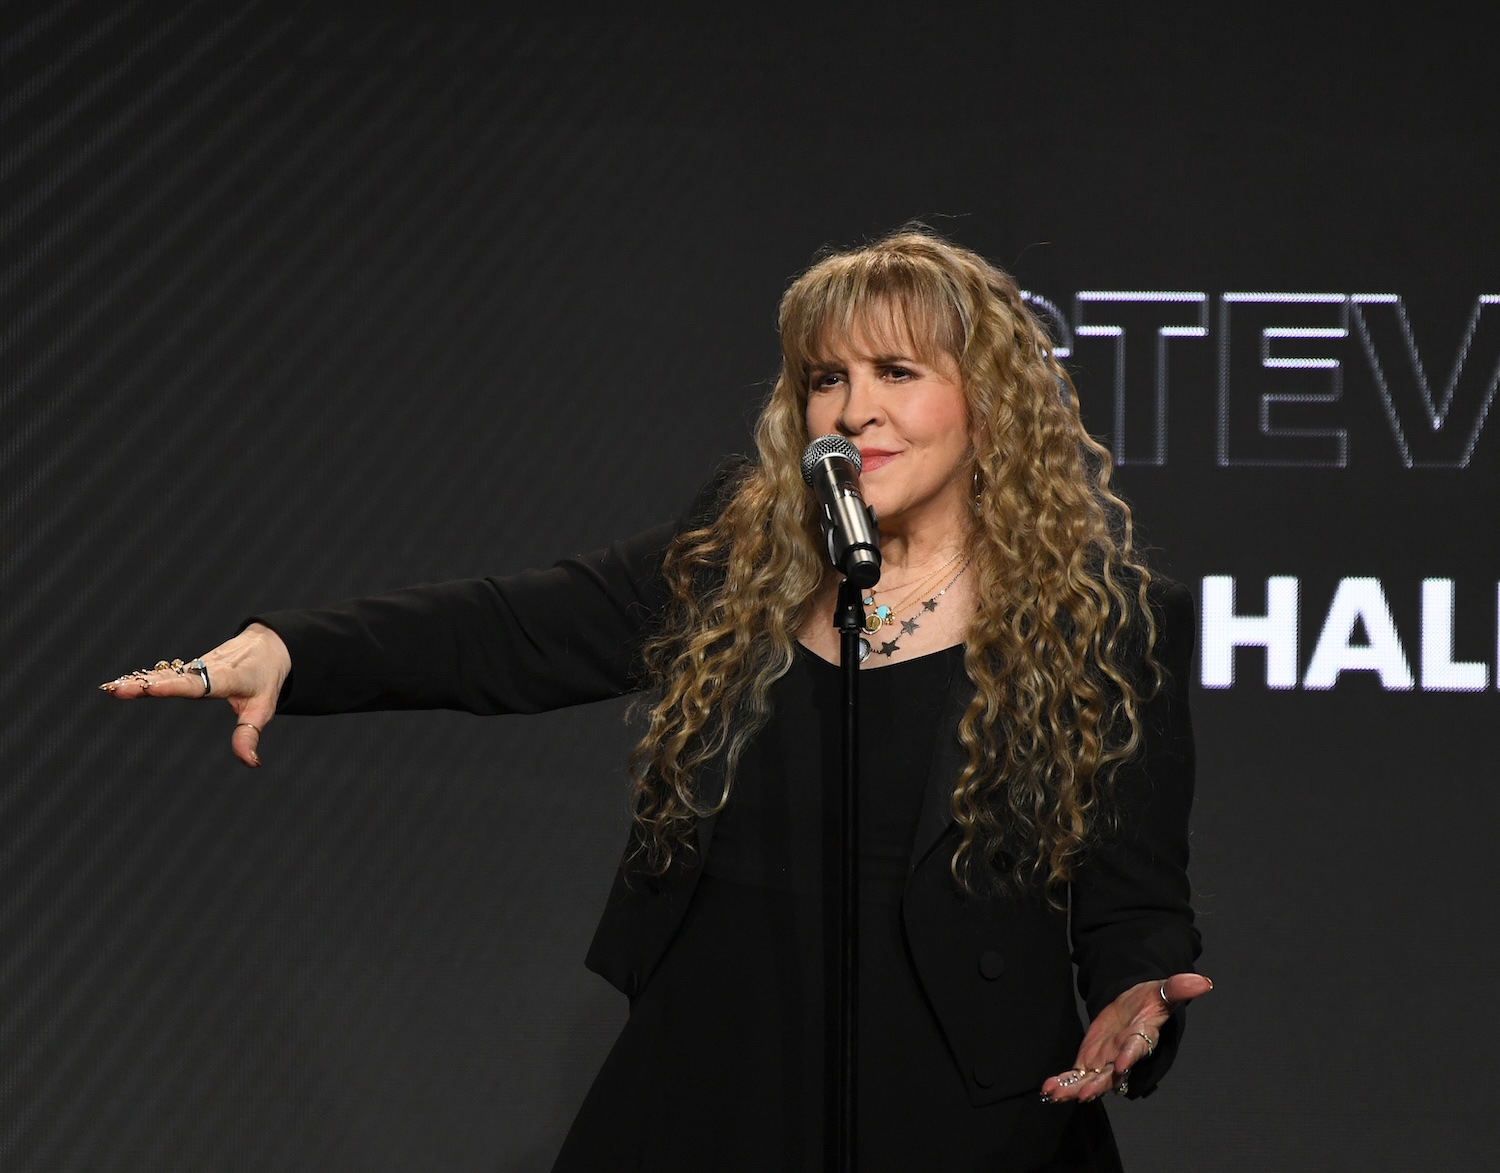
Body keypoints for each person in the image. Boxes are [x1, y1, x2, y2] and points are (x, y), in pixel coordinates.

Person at [101, 228, 1209, 1170]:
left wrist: (1139, 995)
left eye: (896, 372)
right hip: (714, 1085)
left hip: (962, 1106)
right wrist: (291, 651)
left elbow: (1133, 901)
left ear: (988, 403)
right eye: (827, 378)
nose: (855, 411)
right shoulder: (741, 560)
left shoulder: (1108, 623)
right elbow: (517, 629)